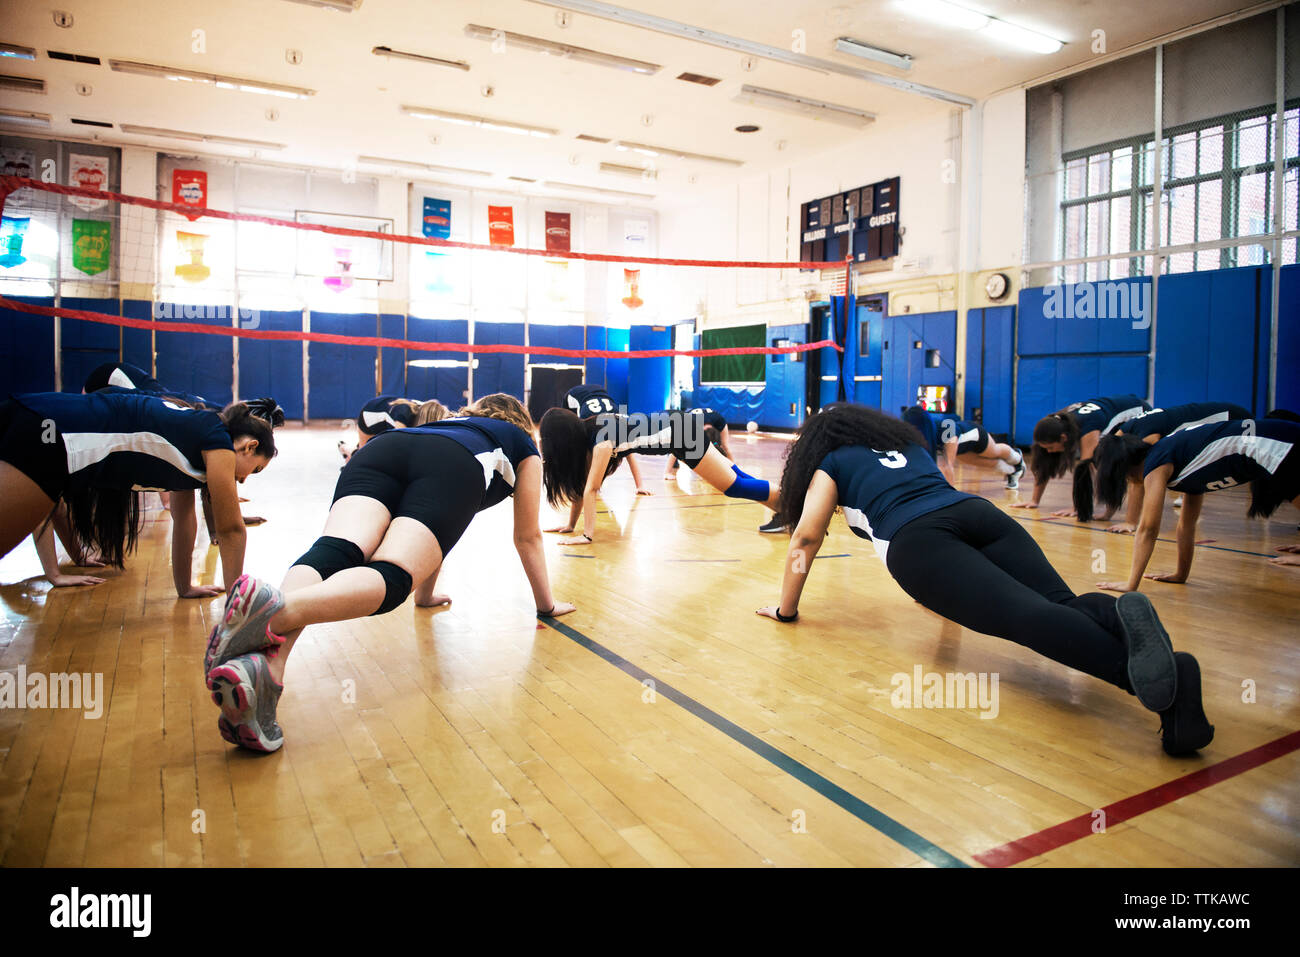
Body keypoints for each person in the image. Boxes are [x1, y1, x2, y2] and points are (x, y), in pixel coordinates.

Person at [756, 403, 1212, 757]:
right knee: (1057, 600)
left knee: (1029, 618)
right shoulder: (909, 445)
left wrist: (786, 610)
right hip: (975, 514)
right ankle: (1129, 628)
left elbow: (806, 538)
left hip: (918, 543)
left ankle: (1163, 687)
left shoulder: (832, 460)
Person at [203, 394, 575, 753]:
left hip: (381, 450)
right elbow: (527, 537)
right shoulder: (522, 444)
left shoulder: (453, 423)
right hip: (452, 464)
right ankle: (274, 612)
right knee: (392, 575)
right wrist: (546, 605)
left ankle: (266, 672)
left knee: (334, 552)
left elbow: (438, 537)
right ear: (521, 422)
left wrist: (426, 596)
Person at [0, 391, 275, 598]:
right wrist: (238, 609)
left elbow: (184, 520)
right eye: (256, 469)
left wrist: (186, 587)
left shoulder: (197, 440)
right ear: (249, 447)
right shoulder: (217, 443)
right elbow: (231, 531)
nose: (243, 479)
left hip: (40, 419)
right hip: (53, 432)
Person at [1097, 417, 1300, 592]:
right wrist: (1180, 574)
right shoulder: (1184, 464)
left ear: (1125, 472)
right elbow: (1186, 526)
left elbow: (1148, 528)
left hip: (1277, 442)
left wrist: (1131, 583)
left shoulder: (1156, 463)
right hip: (1277, 439)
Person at [539, 407, 777, 545]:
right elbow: (584, 484)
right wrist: (570, 525)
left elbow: (591, 489)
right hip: (680, 428)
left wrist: (587, 536)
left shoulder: (601, 442)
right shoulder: (594, 427)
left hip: (684, 435)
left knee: (734, 486)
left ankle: (789, 502)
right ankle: (785, 509)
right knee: (738, 477)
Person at [1085, 401, 1252, 529]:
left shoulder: (1147, 437)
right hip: (1231, 415)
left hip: (1233, 420)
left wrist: (1130, 523)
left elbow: (1139, 481)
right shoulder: (1122, 435)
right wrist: (1108, 514)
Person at [1013, 394, 1151, 517]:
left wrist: (1078, 507)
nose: (1049, 451)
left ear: (1063, 438)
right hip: (1111, 411)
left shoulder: (1088, 428)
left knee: (1118, 464)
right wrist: (1034, 500)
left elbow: (1087, 470)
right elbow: (1044, 465)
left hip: (1139, 412)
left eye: (1050, 447)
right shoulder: (1058, 423)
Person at [901, 406, 1026, 490]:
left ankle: (1017, 458)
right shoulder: (918, 434)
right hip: (962, 447)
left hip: (974, 435)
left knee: (994, 451)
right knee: (985, 463)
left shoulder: (946, 427)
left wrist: (948, 497)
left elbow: (947, 466)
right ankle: (1012, 471)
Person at [563, 384, 653, 495]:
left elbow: (631, 456)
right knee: (568, 435)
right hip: (574, 395)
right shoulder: (590, 432)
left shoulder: (619, 436)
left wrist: (640, 486)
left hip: (602, 394)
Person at [339, 396, 448, 461]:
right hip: (369, 416)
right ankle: (345, 447)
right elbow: (397, 446)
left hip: (386, 412)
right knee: (361, 458)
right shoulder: (404, 417)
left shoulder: (429, 409)